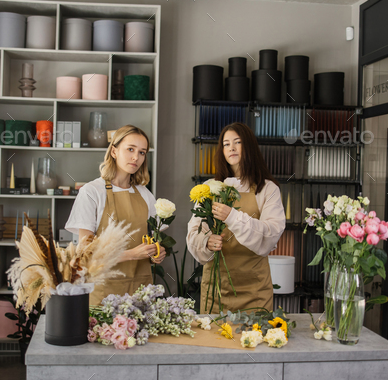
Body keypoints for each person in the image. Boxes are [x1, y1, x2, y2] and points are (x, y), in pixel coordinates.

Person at [186, 122, 285, 313]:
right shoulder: (209, 188)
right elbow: (193, 233)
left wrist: (232, 217)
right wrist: (207, 242)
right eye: (226, 144)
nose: (231, 148)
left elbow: (271, 234)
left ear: (249, 146)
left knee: (253, 340)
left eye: (237, 142)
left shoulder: (268, 189)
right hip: (216, 289)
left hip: (254, 290)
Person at [65, 125, 166, 305]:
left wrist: (155, 253)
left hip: (140, 291)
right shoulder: (91, 192)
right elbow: (85, 253)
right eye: (130, 149)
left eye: (142, 152)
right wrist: (131, 254)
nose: (136, 157)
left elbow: (152, 239)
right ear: (114, 151)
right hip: (103, 291)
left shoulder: (145, 195)